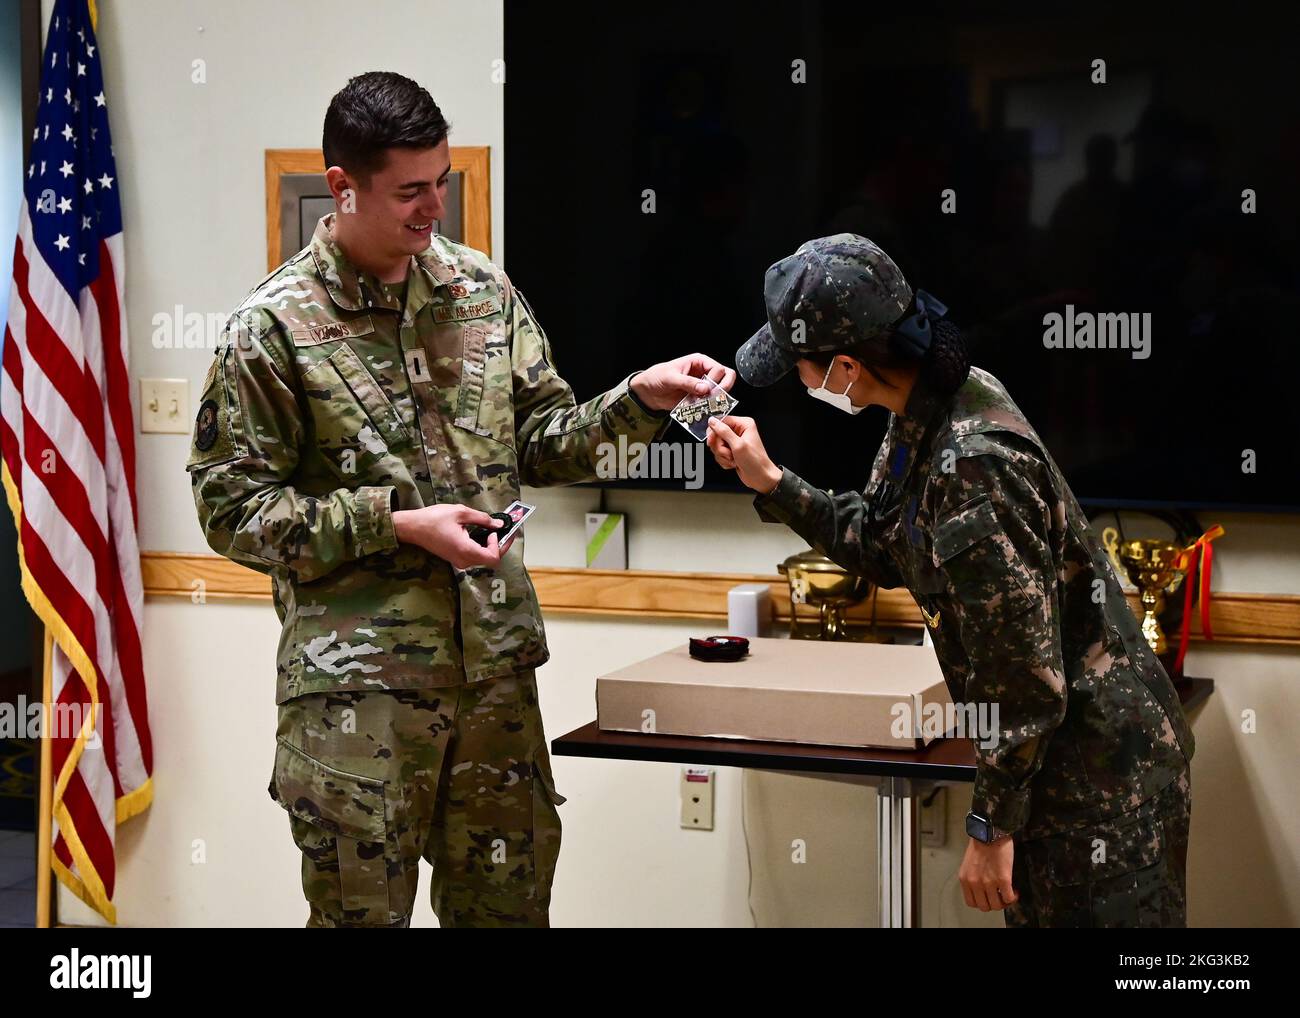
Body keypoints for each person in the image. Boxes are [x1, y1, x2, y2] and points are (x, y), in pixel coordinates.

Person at [187, 71, 733, 927]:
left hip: (494, 684)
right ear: (343, 186)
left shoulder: (481, 292)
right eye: (410, 190)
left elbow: (547, 443)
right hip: (358, 700)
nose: (434, 207)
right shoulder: (272, 329)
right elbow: (231, 512)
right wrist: (397, 524)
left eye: (440, 182)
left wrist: (644, 397)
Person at [706, 234, 1195, 928]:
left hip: (1099, 786)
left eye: (801, 367)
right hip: (1068, 768)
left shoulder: (971, 467)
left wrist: (991, 829)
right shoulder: (930, 402)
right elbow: (885, 545)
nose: (801, 381)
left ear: (846, 367)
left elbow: (1023, 675)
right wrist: (773, 482)